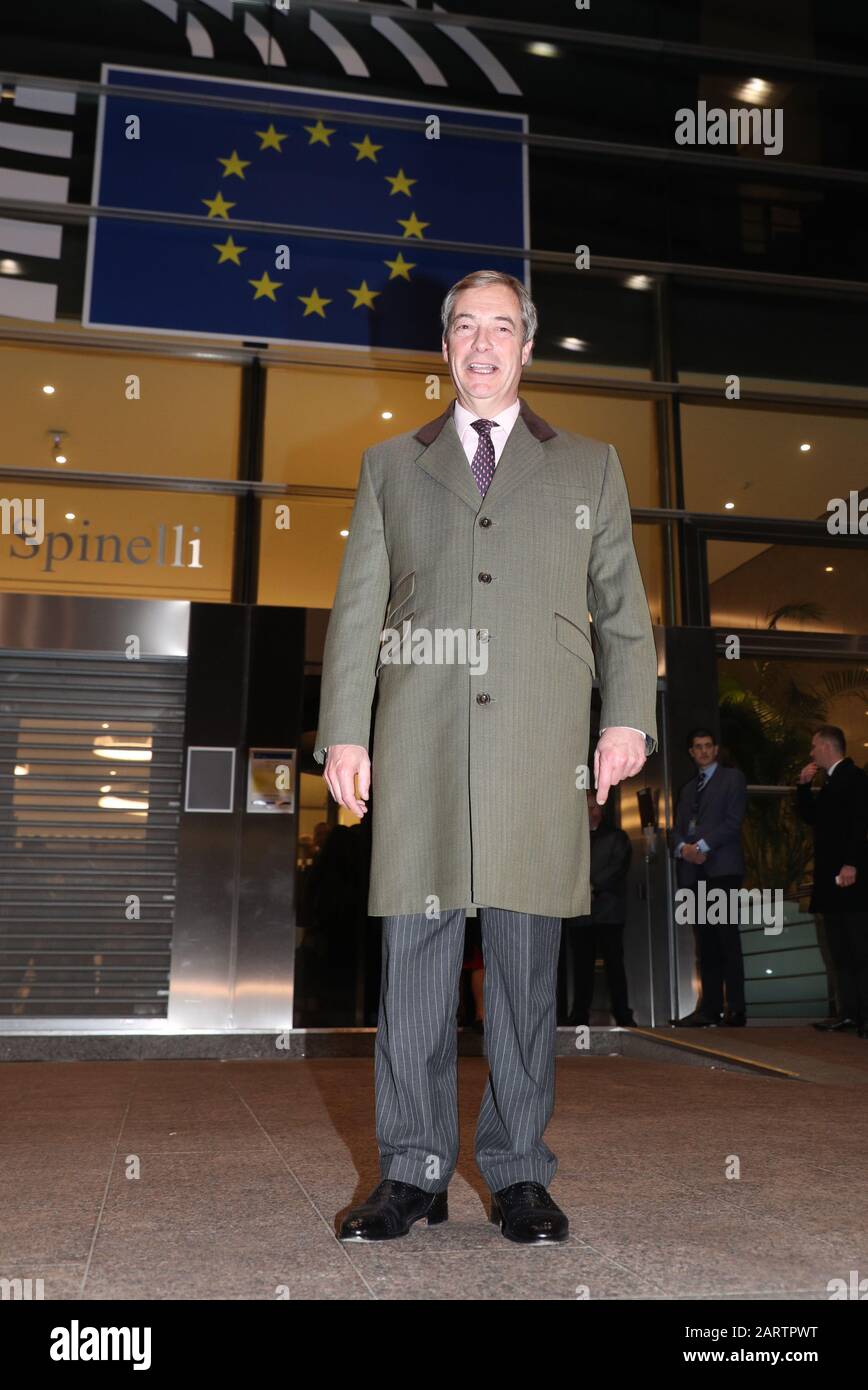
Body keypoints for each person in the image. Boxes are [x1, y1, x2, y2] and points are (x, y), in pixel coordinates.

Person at [314, 269, 657, 1245]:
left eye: (499, 327)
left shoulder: (588, 464)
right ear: (444, 346)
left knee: (521, 966)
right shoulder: (391, 465)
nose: (481, 343)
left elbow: (624, 613)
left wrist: (625, 716)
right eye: (464, 326)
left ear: (527, 345)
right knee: (415, 969)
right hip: (419, 742)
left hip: (538, 750)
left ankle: (517, 1175)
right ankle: (411, 1174)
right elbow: (356, 611)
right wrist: (344, 728)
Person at [670, 729, 748, 1028]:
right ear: (691, 753)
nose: (702, 751)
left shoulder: (732, 779)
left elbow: (733, 822)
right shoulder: (688, 789)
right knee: (706, 942)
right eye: (697, 747)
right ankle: (710, 1009)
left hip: (722, 869)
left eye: (707, 746)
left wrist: (701, 847)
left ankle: (736, 1008)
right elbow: (677, 829)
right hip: (695, 872)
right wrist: (683, 849)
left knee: (727, 938)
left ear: (716, 750)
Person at [796, 726, 868, 1037]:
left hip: (850, 879)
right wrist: (802, 787)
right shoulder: (832, 781)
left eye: (814, 746)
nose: (811, 753)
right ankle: (849, 1013)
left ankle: (863, 1015)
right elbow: (814, 818)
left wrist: (852, 862)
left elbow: (860, 823)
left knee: (859, 949)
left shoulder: (854, 778)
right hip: (832, 879)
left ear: (827, 746)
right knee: (839, 950)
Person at [562, 791, 636, 1027]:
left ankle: (623, 1014)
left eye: (594, 807)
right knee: (581, 968)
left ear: (602, 809)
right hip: (580, 914)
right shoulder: (571, 839)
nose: (590, 812)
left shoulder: (618, 837)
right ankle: (579, 1014)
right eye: (586, 807)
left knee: (615, 965)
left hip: (609, 913)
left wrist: (592, 887)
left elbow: (618, 868)